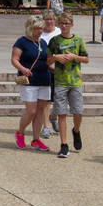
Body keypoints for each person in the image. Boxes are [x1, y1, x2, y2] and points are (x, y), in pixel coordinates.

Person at [47, 13, 89, 158]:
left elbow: (86, 59)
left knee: (78, 112)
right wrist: (56, 57)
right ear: (58, 24)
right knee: (62, 113)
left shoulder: (78, 40)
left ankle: (76, 130)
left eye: (67, 23)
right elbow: (47, 61)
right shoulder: (54, 41)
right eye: (62, 23)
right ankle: (64, 145)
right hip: (60, 81)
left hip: (75, 81)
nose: (64, 26)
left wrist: (74, 57)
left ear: (72, 24)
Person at [12, 17, 52, 151]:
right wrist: (23, 69)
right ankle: (20, 132)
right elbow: (14, 59)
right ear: (30, 28)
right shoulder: (21, 41)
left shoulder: (44, 43)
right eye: (37, 28)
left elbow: (48, 61)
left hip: (44, 79)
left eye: (41, 28)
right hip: (28, 80)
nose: (40, 31)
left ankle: (36, 139)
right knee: (31, 110)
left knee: (40, 110)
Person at [39, 10, 62, 138]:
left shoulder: (59, 32)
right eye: (46, 19)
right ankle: (46, 126)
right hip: (45, 69)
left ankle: (54, 116)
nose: (49, 22)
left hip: (59, 69)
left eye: (51, 19)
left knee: (59, 98)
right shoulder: (40, 33)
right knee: (47, 99)